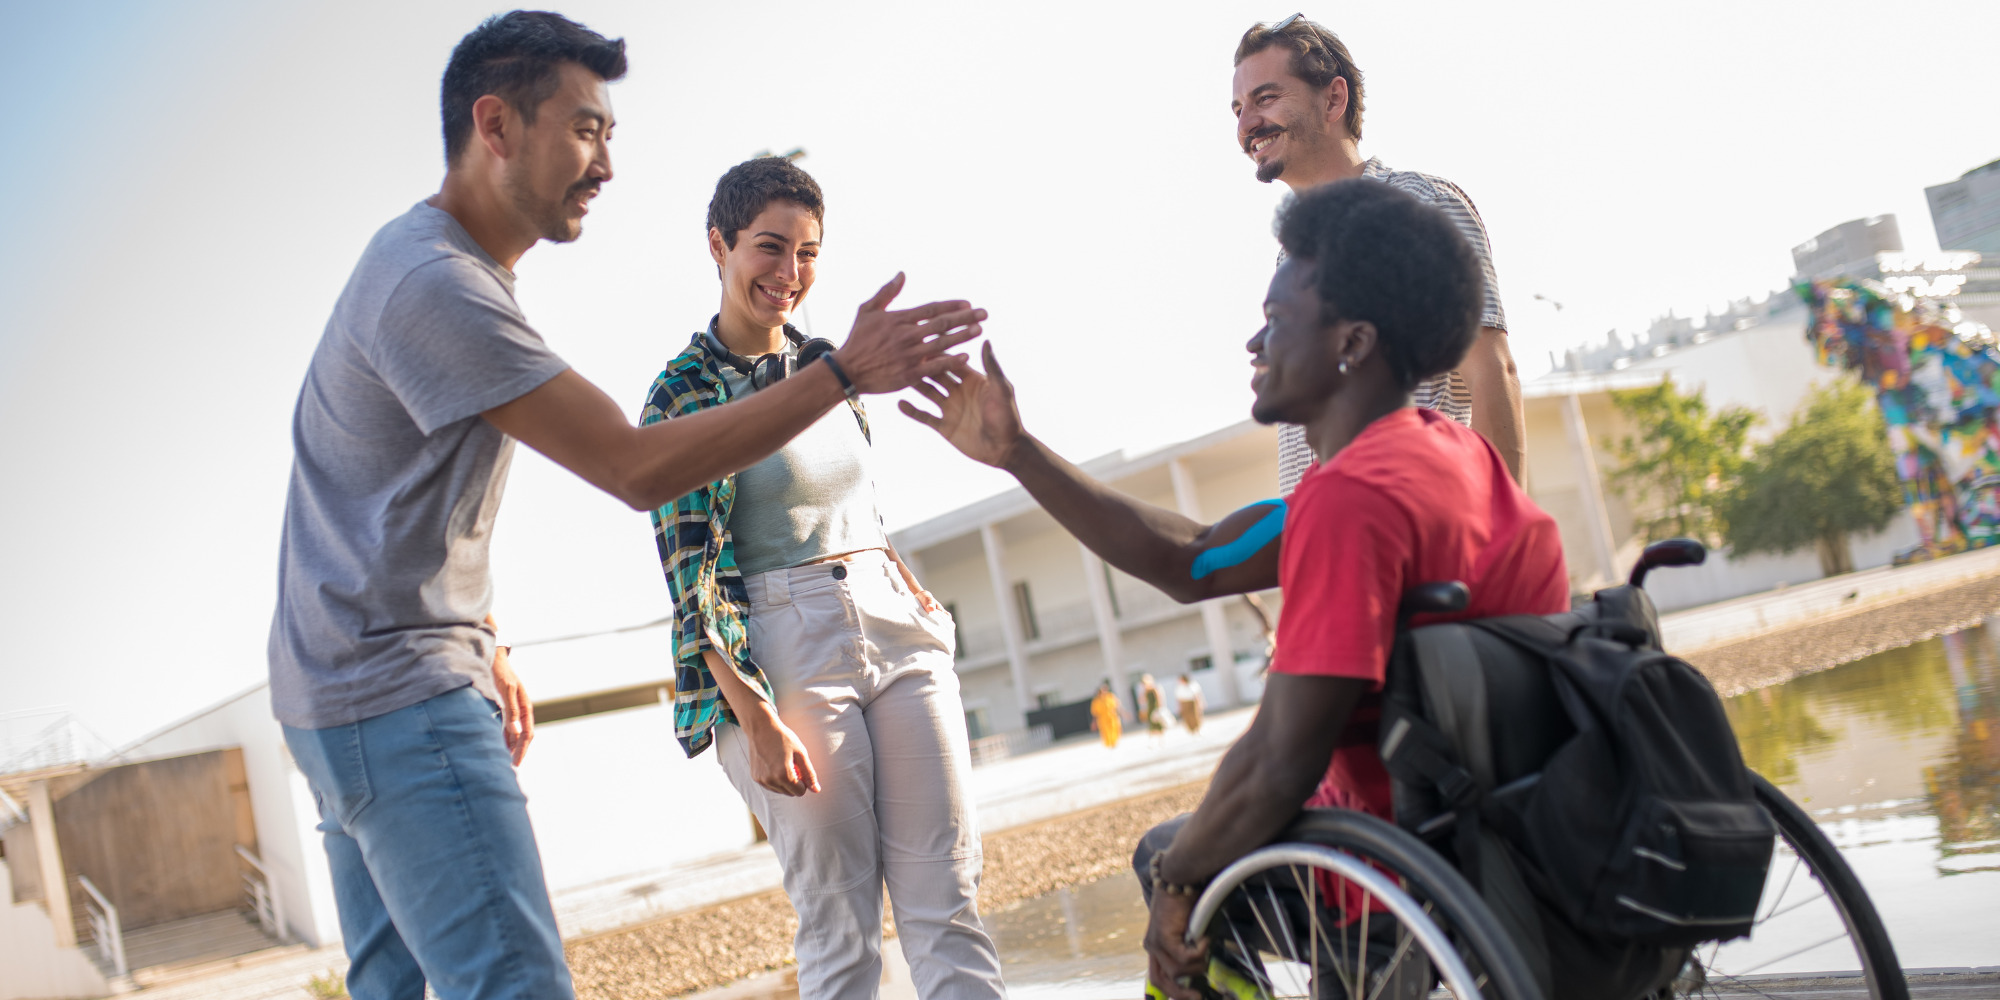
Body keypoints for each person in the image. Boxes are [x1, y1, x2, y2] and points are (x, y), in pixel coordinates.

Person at [268, 14, 984, 1000]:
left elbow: (386, 490)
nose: (605, 163)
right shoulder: (439, 286)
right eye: (583, 129)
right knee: (517, 985)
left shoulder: (440, 267)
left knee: (394, 987)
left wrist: (482, 628)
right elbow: (637, 470)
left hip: (354, 681)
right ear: (497, 126)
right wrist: (844, 371)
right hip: (396, 693)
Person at [908, 180, 1573, 999]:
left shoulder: (1351, 498)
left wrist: (1182, 883)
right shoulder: (1452, 458)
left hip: (1398, 870)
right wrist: (1019, 453)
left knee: (1167, 855)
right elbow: (1194, 557)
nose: (1255, 343)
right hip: (1523, 839)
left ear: (1353, 343)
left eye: (1277, 319)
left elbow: (1278, 758)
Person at [638, 157, 1005, 1000]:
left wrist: (897, 577)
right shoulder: (683, 393)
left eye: (808, 253)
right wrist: (753, 711)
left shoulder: (826, 363)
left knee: (948, 904)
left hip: (893, 627)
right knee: (839, 924)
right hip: (778, 645)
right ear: (718, 246)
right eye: (770, 248)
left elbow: (852, 505)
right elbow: (687, 572)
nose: (790, 274)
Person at [1231, 15, 1524, 488]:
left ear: (1333, 99)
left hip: (1422, 536)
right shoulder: (1291, 257)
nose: (1247, 124)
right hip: (1340, 544)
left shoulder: (1418, 205)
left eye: (1265, 98)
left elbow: (1492, 372)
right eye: (1238, 109)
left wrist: (1500, 546)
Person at [1089, 679, 1125, 749]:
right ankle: (1110, 743)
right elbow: (1094, 712)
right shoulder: (1096, 701)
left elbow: (1117, 706)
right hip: (1102, 718)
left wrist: (1123, 713)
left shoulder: (1110, 697)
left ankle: (1114, 741)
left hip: (1112, 716)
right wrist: (1093, 722)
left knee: (1115, 728)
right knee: (1106, 731)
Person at [1140, 673, 1168, 743]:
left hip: (1155, 708)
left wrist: (1159, 708)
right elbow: (1142, 700)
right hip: (1150, 708)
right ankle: (1153, 740)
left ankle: (1161, 739)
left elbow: (1159, 698)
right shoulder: (1146, 691)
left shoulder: (1154, 689)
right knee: (1152, 725)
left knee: (1158, 724)